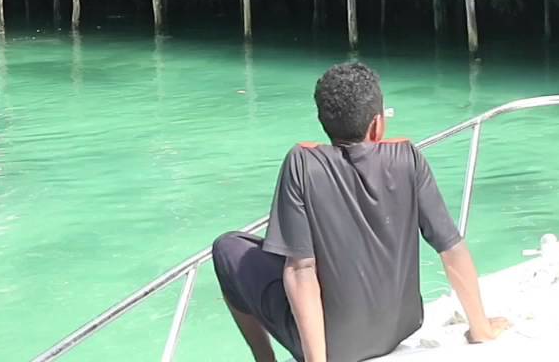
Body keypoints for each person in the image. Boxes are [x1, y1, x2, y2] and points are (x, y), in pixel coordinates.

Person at [212, 63, 508, 362]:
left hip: (336, 348)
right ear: (377, 124)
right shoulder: (408, 157)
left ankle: (264, 358)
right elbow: (450, 247)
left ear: (323, 120)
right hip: (401, 327)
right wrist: (480, 328)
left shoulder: (302, 163)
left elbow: (301, 271)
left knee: (227, 247)